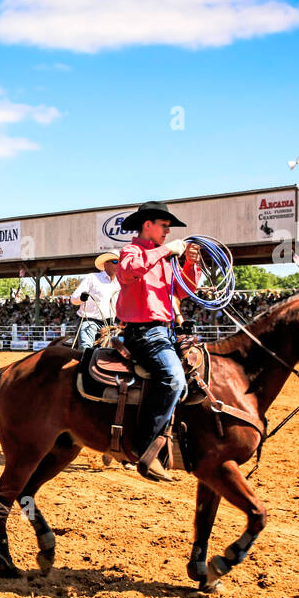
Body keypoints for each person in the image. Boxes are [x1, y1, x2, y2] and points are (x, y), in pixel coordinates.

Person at [115, 201, 201, 482]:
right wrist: (166, 250)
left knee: (194, 375)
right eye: (164, 225)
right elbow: (129, 272)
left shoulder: (164, 260)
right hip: (143, 332)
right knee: (173, 378)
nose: (168, 231)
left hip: (164, 332)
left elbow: (183, 290)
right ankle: (144, 449)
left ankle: (174, 444)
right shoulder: (131, 251)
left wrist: (191, 263)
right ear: (147, 225)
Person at [70, 252, 120, 350]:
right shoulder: (92, 278)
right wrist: (81, 298)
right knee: (85, 348)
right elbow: (73, 299)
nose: (119, 265)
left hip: (111, 324)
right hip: (89, 321)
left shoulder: (119, 283)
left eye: (120, 262)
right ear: (106, 264)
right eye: (115, 261)